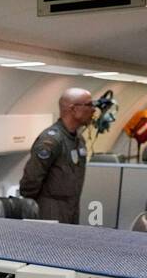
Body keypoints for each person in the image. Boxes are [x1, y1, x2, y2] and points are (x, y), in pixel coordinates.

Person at [19, 87, 94, 223]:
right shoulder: (51, 141)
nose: (93, 109)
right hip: (50, 211)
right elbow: (31, 180)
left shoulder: (78, 139)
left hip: (71, 209)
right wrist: (38, 205)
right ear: (73, 109)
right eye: (89, 105)